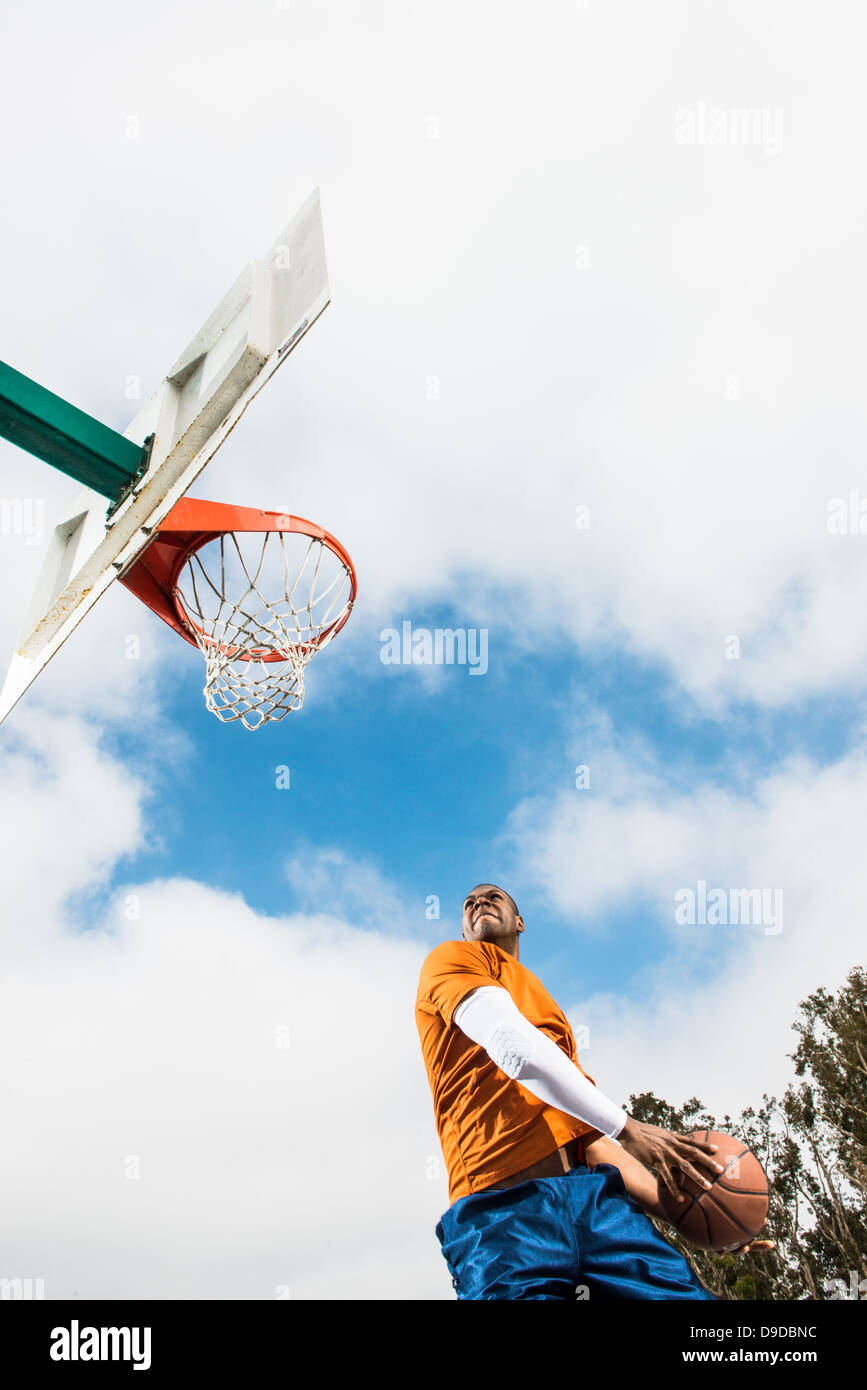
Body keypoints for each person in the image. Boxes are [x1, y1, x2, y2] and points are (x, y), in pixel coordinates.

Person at [415, 884, 773, 1300]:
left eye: (494, 897)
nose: (479, 902)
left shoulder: (544, 1005)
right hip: (503, 1210)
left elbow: (591, 1140)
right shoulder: (451, 959)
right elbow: (514, 1048)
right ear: (463, 929)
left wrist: (696, 1209)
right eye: (469, 903)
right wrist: (628, 1127)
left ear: (520, 922)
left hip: (597, 1201)